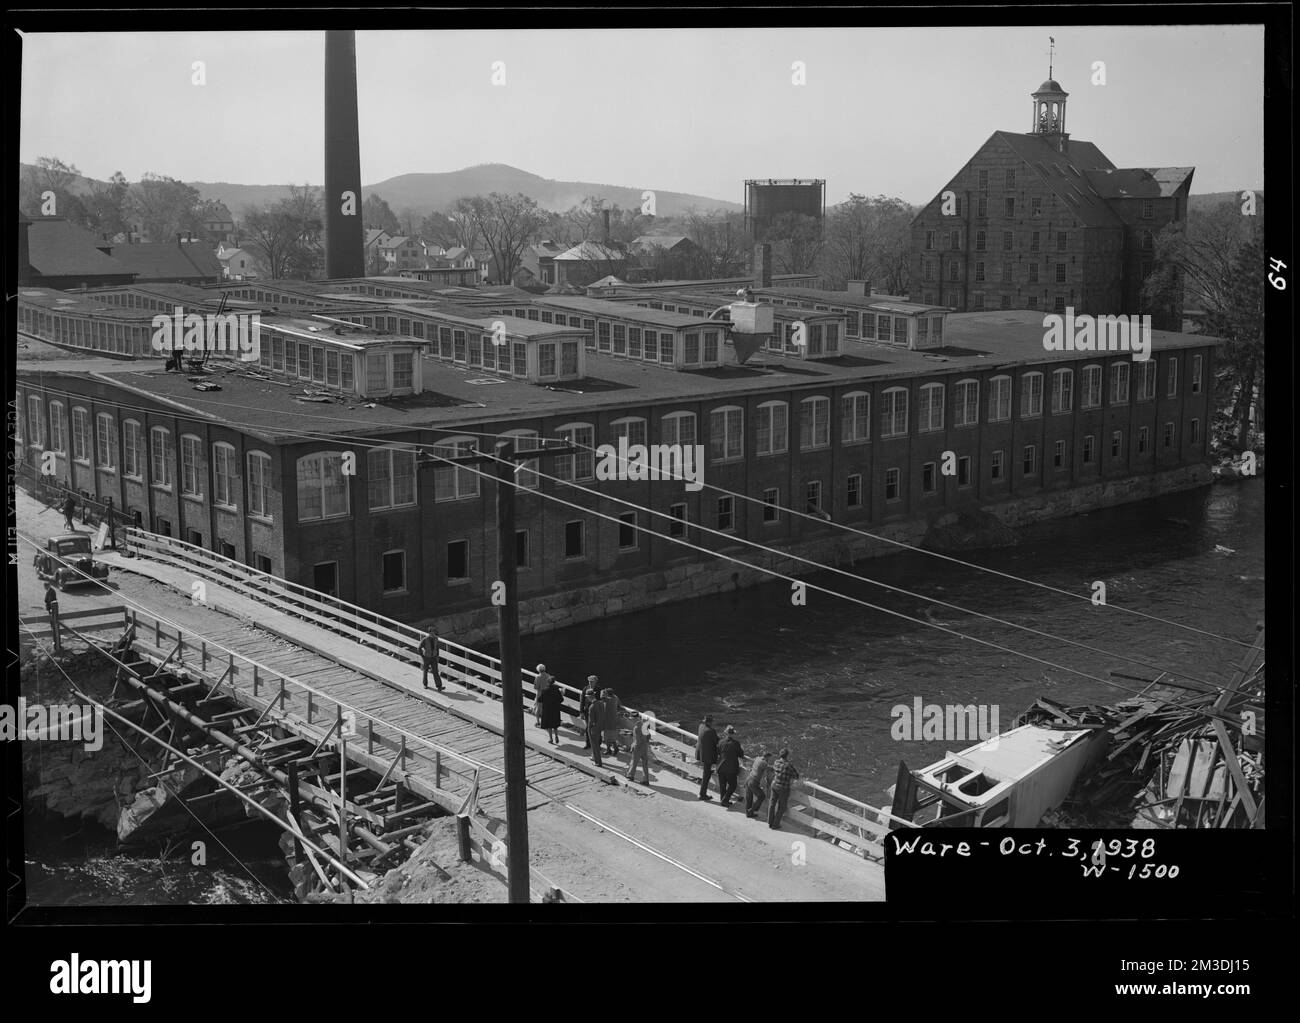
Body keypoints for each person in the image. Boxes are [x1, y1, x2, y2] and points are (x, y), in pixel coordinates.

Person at [767, 749, 800, 830]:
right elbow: (796, 776)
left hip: (774, 785)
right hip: (783, 788)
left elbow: (774, 769)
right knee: (782, 807)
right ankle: (775, 824)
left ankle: (770, 822)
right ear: (787, 756)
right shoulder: (788, 766)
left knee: (772, 803)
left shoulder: (776, 762)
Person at [716, 725, 745, 807]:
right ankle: (725, 800)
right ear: (732, 734)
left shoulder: (720, 742)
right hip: (731, 768)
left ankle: (723, 800)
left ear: (725, 733)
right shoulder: (736, 743)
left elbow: (718, 752)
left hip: (721, 766)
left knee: (722, 785)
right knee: (733, 785)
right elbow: (741, 754)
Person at [695, 715, 719, 801]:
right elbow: (717, 741)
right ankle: (702, 794)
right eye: (712, 722)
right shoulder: (711, 731)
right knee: (706, 775)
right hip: (707, 756)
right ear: (710, 722)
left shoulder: (701, 726)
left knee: (706, 772)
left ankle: (702, 793)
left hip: (700, 753)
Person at [626, 713, 653, 785]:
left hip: (638, 747)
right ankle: (646, 780)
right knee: (645, 764)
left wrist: (632, 746)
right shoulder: (645, 725)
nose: (630, 720)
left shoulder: (636, 727)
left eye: (631, 718)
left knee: (634, 762)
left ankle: (630, 775)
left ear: (635, 718)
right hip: (645, 746)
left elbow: (637, 740)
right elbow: (648, 736)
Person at [744, 750, 772, 819]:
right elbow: (767, 772)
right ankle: (752, 810)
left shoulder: (757, 758)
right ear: (768, 757)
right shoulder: (764, 763)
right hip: (754, 781)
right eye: (769, 758)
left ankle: (748, 813)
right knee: (761, 796)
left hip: (748, 779)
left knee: (749, 797)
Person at [538, 674, 565, 746]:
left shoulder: (545, 691)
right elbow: (561, 699)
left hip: (547, 710)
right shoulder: (557, 690)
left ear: (548, 682)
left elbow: (539, 700)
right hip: (555, 709)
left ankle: (551, 739)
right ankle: (556, 736)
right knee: (555, 724)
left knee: (549, 725)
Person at [586, 689, 607, 767]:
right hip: (601, 726)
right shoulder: (601, 703)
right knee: (597, 744)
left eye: (587, 697)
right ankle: (596, 759)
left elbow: (591, 720)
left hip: (594, 728)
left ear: (589, 697)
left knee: (595, 746)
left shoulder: (592, 707)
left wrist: (588, 728)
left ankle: (598, 762)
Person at [418, 627, 444, 691]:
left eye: (434, 632)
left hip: (434, 657)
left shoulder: (436, 639)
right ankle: (425, 684)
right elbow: (419, 648)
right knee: (425, 671)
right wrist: (422, 656)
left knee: (435, 671)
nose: (433, 633)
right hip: (426, 657)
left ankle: (439, 686)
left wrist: (437, 656)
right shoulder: (425, 639)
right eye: (432, 632)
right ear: (429, 632)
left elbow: (437, 648)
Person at [579, 676, 600, 749]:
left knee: (596, 727)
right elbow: (582, 700)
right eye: (589, 681)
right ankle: (588, 743)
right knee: (588, 727)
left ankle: (598, 743)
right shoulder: (585, 688)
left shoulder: (598, 689)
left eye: (592, 681)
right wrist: (581, 711)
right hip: (587, 711)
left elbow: (600, 700)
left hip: (596, 711)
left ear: (595, 681)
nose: (590, 682)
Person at [601, 688, 622, 756]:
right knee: (612, 737)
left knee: (606, 737)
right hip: (614, 720)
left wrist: (602, 692)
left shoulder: (607, 699)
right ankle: (614, 749)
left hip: (607, 720)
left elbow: (601, 697)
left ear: (607, 694)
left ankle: (609, 749)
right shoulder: (615, 697)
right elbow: (619, 704)